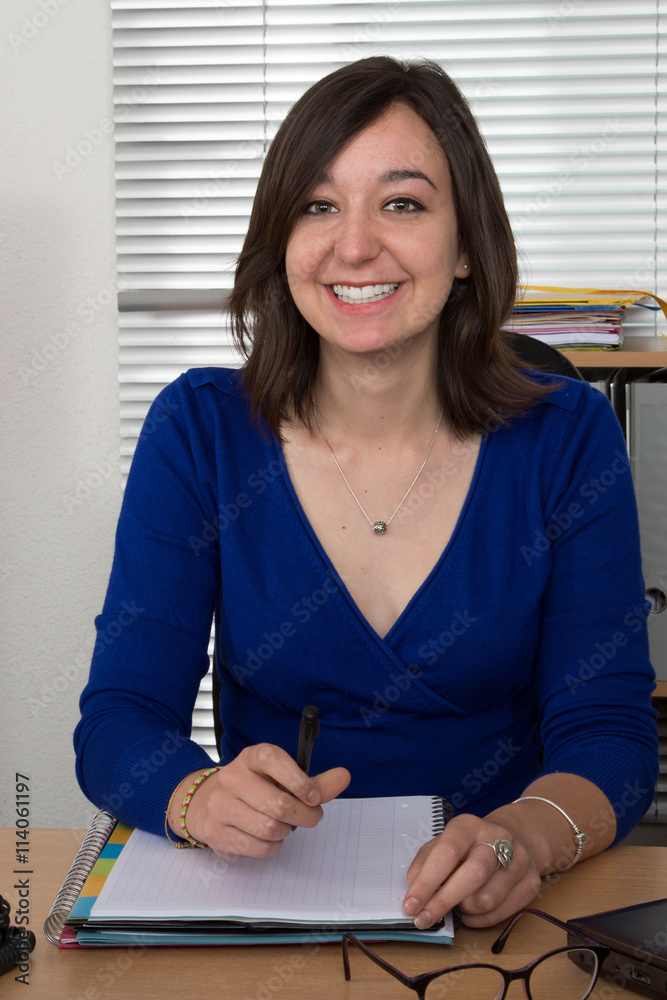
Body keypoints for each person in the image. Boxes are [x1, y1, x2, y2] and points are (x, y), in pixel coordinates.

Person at [74, 56, 658, 931]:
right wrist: (195, 796)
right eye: (317, 206)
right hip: (267, 907)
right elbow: (119, 717)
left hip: (497, 919)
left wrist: (522, 840)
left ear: (467, 246)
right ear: (281, 241)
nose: (352, 247)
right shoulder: (199, 430)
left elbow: (610, 732)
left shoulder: (567, 436)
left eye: (402, 204)